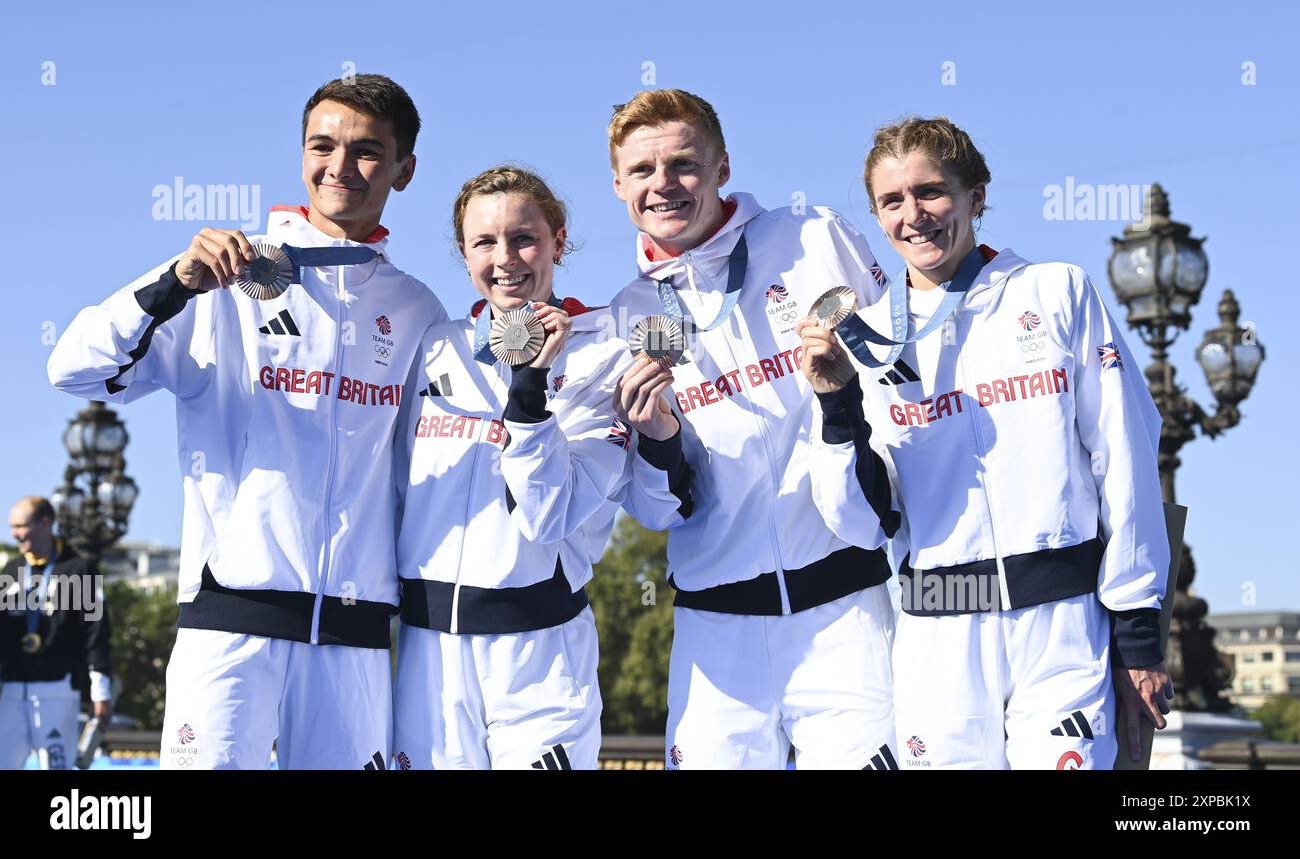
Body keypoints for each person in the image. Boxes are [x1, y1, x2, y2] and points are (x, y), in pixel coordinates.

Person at [47, 75, 447, 769]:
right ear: (301, 156)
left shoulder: (417, 309)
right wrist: (175, 281)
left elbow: (429, 472)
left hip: (354, 640)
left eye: (367, 152)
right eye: (322, 147)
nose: (340, 168)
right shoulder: (221, 278)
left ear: (405, 170)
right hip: (231, 625)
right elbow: (73, 367)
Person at [799, 116, 1172, 769]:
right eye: (893, 201)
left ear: (976, 196)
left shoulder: (1056, 291)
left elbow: (1127, 459)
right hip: (937, 636)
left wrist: (1139, 638)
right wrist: (837, 405)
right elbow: (862, 521)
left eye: (931, 192)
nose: (915, 215)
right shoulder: (866, 341)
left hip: (1059, 626)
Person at [609, 89, 899, 770]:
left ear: (722, 166)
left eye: (683, 164)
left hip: (844, 606)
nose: (664, 185)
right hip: (717, 629)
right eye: (643, 171)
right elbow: (654, 511)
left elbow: (901, 384)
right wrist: (657, 443)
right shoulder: (629, 315)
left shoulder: (814, 237)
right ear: (618, 184)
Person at [392, 166, 651, 770]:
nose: (505, 258)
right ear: (464, 253)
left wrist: (529, 386)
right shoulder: (432, 349)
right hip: (427, 656)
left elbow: (547, 512)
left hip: (538, 651)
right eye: (484, 242)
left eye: (523, 238)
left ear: (559, 241)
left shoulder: (603, 359)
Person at [1, 496, 111, 770]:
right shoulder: (12, 570)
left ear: (45, 523)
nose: (15, 534)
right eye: (12, 527)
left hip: (58, 691)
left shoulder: (80, 569)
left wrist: (101, 692)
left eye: (21, 526)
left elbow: (96, 632)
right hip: (11, 693)